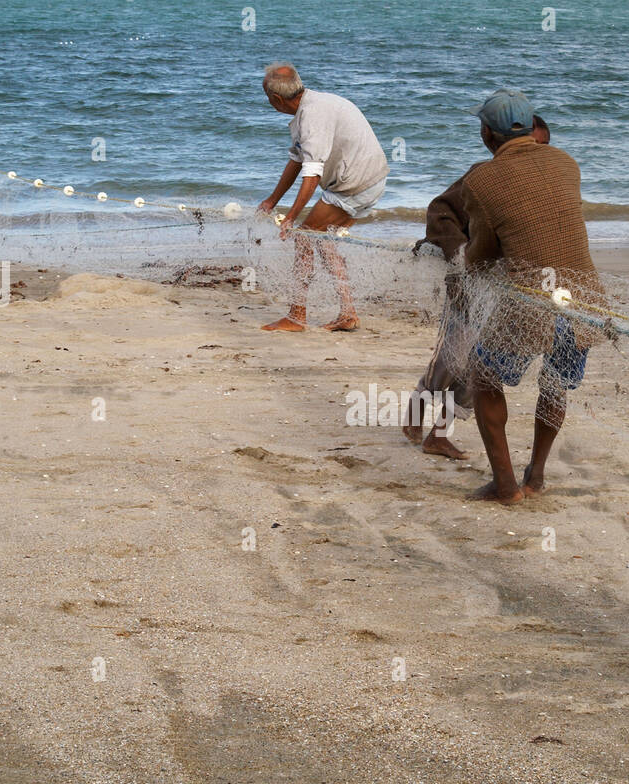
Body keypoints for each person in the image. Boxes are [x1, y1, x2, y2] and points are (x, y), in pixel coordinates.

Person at [460, 90, 599, 505]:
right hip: (584, 301)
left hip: (531, 303)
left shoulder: (481, 180)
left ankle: (505, 488)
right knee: (555, 385)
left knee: (482, 376)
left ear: (487, 133)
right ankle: (535, 477)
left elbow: (482, 255)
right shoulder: (565, 162)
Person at [404, 115, 551, 461]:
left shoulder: (546, 184)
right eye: (531, 145)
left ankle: (439, 436)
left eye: (542, 148)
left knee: (483, 366)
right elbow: (440, 212)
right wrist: (462, 258)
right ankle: (414, 418)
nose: (535, 153)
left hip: (512, 290)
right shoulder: (481, 177)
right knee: (452, 357)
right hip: (470, 285)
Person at [256, 63, 389, 332]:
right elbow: (297, 159)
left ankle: (296, 317)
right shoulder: (309, 106)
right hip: (365, 177)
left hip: (357, 183)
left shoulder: (312, 117)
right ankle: (347, 313)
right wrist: (272, 201)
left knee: (305, 235)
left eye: (267, 97)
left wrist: (292, 217)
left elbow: (312, 173)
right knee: (324, 240)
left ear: (277, 99)